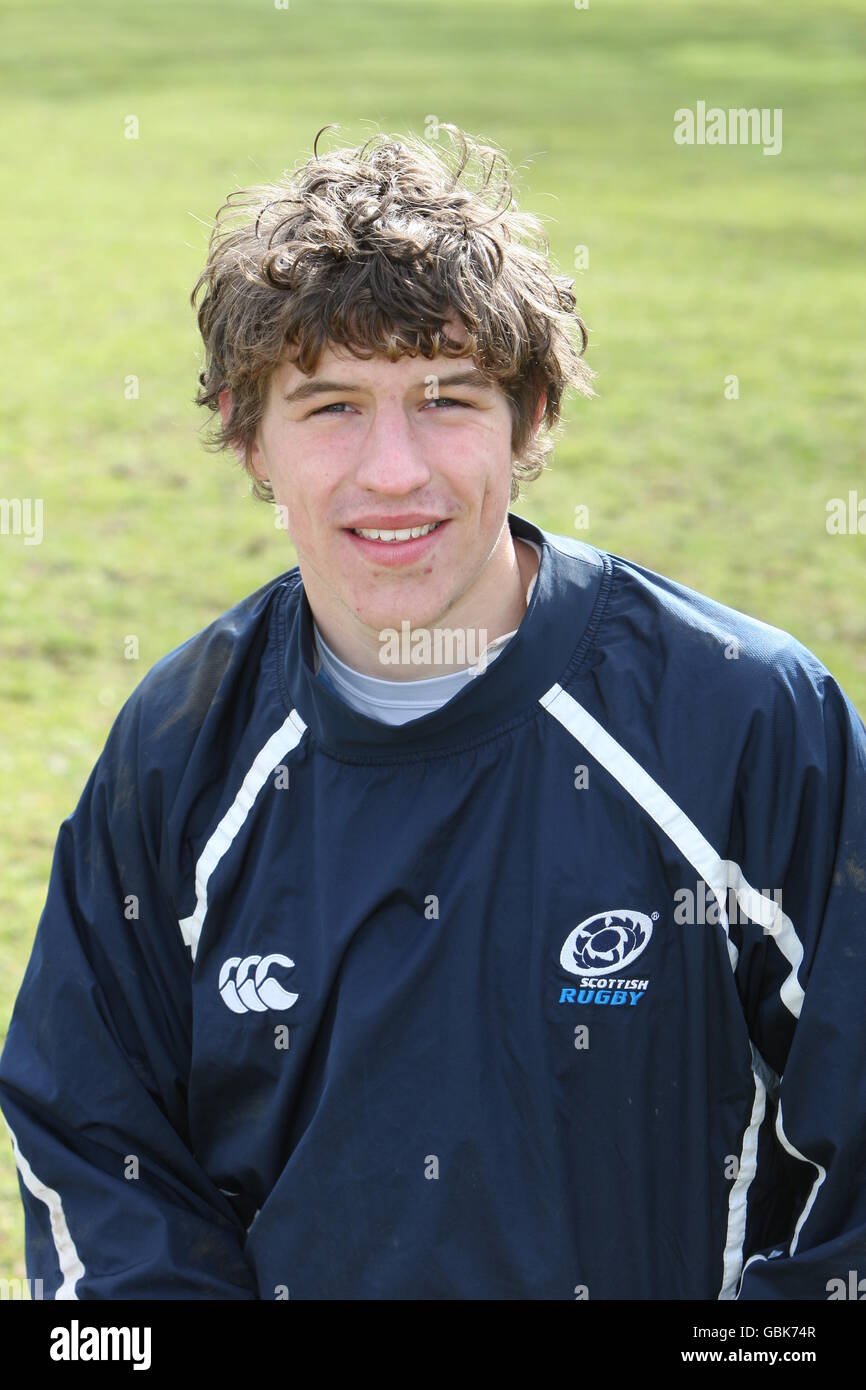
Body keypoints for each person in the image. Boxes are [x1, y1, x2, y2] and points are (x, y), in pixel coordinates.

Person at [1, 125, 864, 1301]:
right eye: (331, 407)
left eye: (445, 398)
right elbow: (98, 1150)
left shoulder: (744, 718)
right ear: (248, 437)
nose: (393, 471)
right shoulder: (176, 749)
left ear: (531, 414)